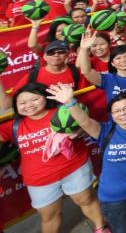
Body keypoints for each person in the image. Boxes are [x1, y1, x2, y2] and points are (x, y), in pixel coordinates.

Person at [47, 85, 126, 233]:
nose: (122, 113)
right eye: (116, 111)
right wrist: (70, 102)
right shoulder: (104, 130)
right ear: (111, 114)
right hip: (113, 196)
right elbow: (85, 122)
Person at [0, 82, 106, 233]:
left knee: (87, 200)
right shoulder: (12, 125)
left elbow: (87, 125)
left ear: (46, 97)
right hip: (39, 179)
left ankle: (101, 228)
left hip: (74, 168)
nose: (29, 105)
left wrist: (79, 132)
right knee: (49, 215)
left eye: (35, 99)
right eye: (22, 102)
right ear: (16, 106)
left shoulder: (64, 112)